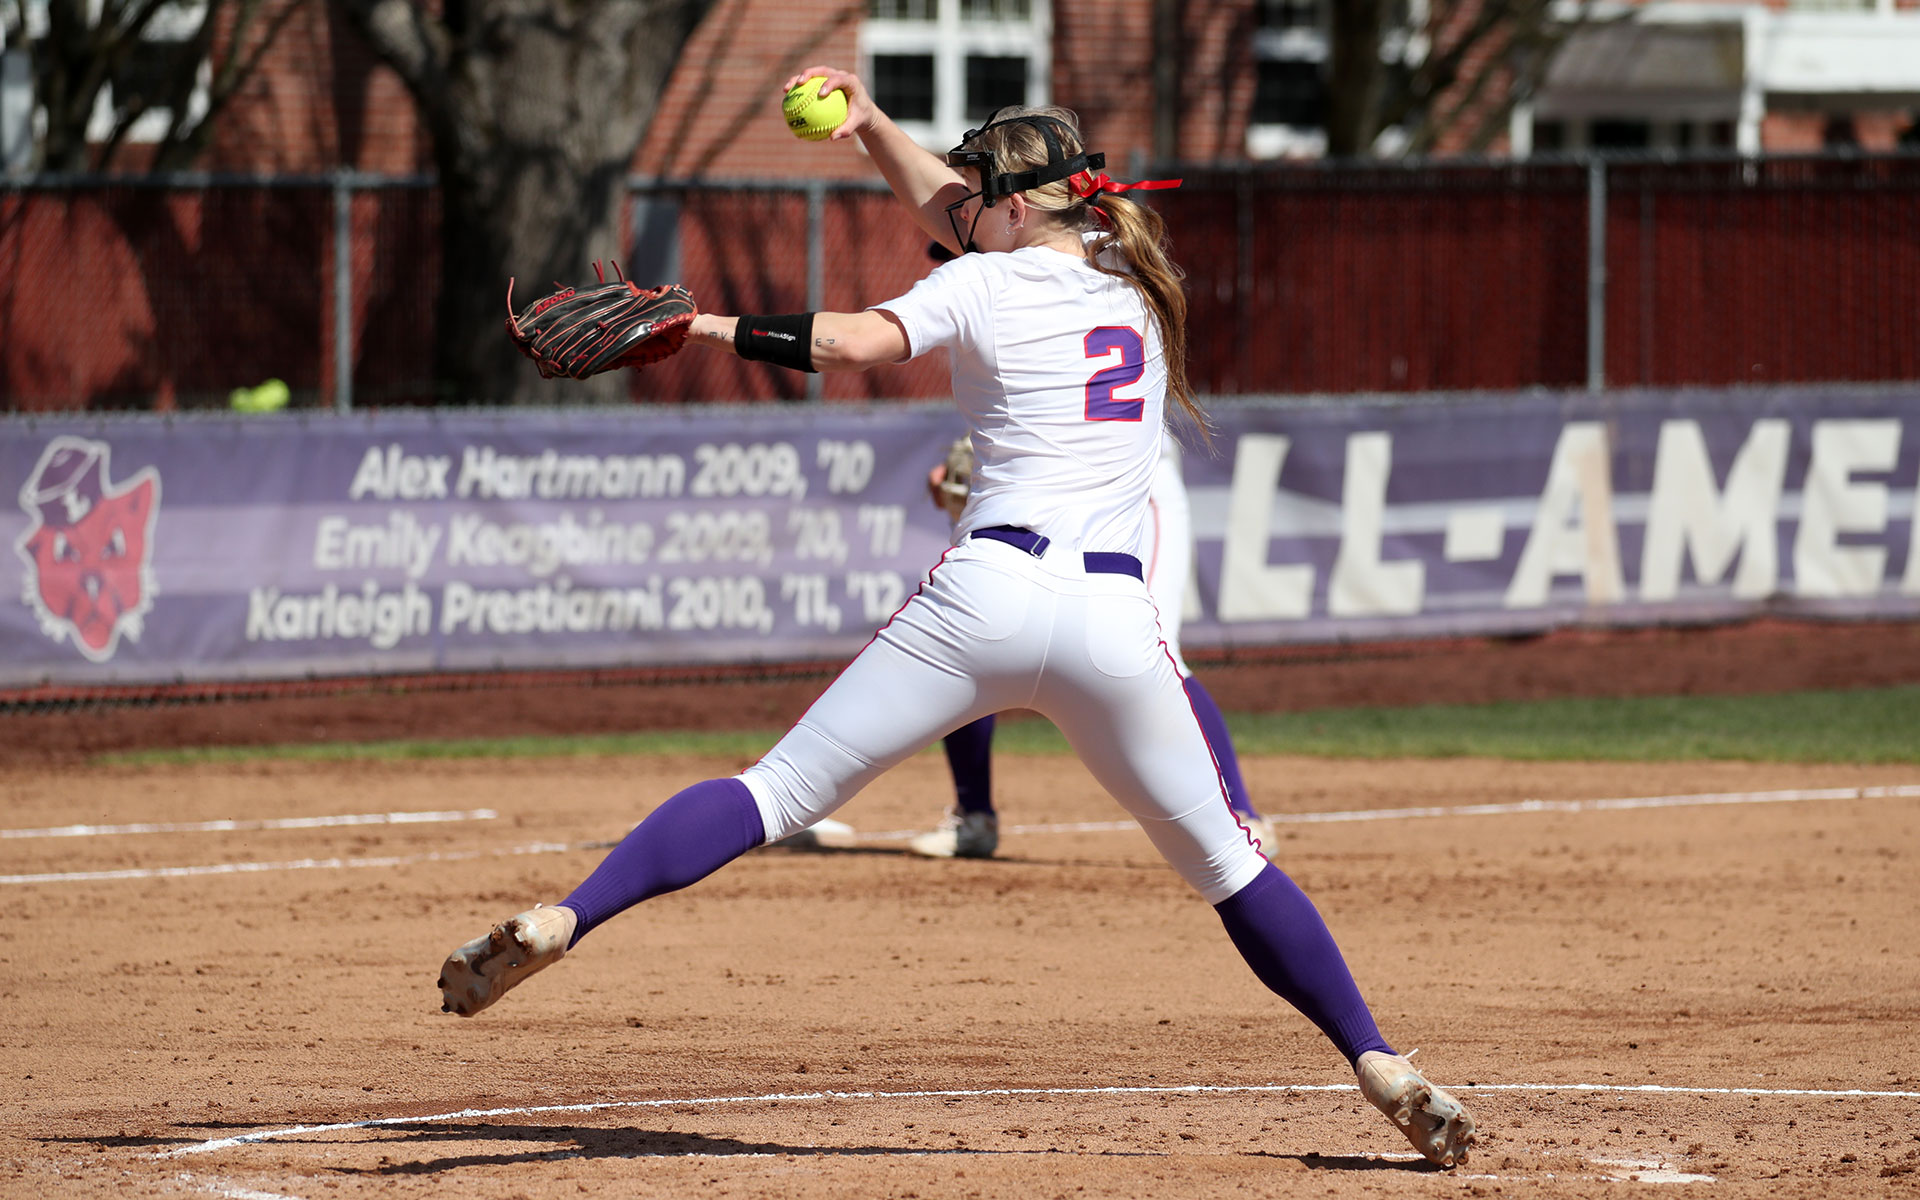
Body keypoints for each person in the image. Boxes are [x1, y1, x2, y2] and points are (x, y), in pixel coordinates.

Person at [436, 67, 1477, 1168]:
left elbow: (851, 344)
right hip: (1112, 622)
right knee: (1232, 867)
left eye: (980, 188)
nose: (961, 202)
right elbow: (962, 213)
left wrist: (705, 325)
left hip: (987, 595)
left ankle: (568, 918)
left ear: (1016, 207)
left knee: (774, 793)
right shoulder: (1133, 280)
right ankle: (1379, 1061)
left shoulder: (983, 282)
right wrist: (870, 124)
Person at [912, 436, 1274, 859]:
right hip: (1039, 483)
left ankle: (1241, 819)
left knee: (1157, 647)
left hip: (1128, 478)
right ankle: (975, 816)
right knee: (972, 631)